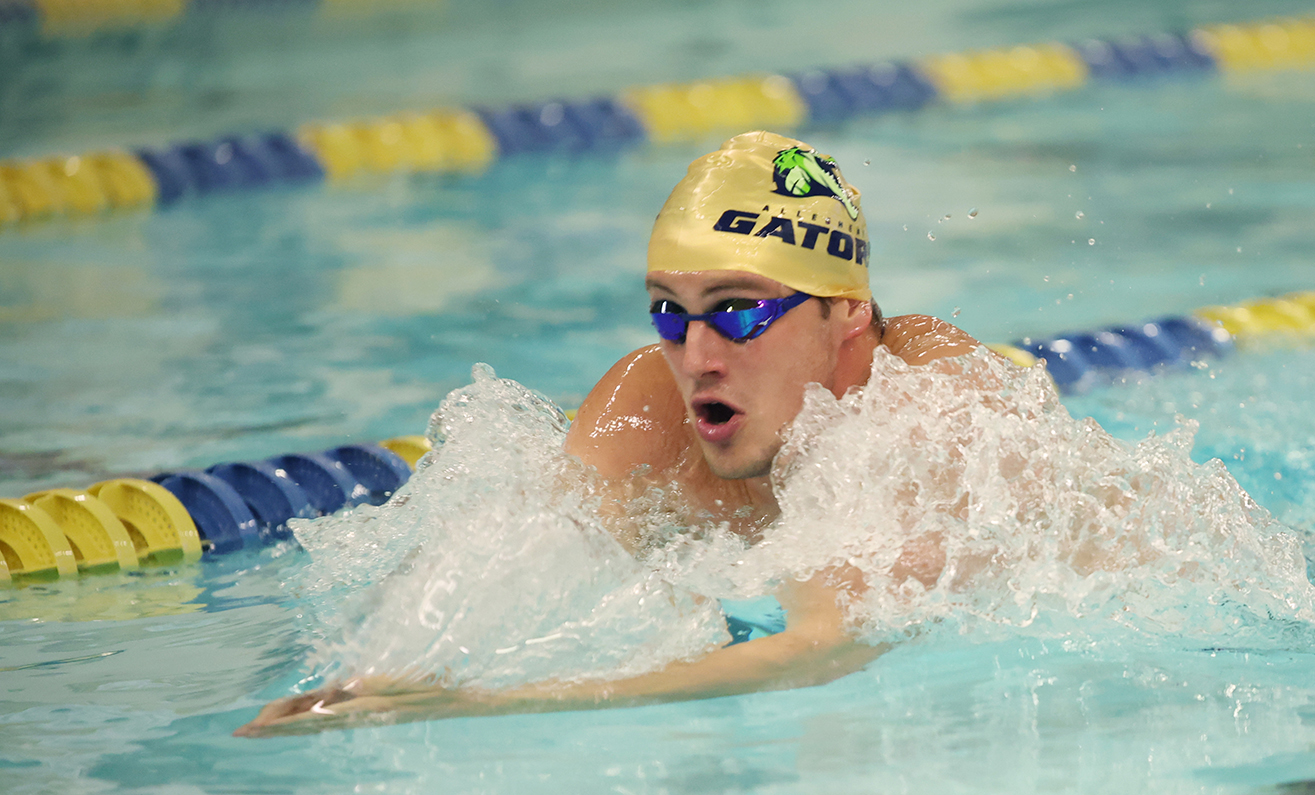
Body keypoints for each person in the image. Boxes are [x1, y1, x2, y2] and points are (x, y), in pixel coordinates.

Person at [239, 132, 990, 736]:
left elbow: (819, 648)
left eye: (736, 311)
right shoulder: (649, 401)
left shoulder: (926, 408)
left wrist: (479, 709)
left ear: (848, 310)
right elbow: (525, 548)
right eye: (670, 311)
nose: (696, 358)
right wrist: (371, 680)